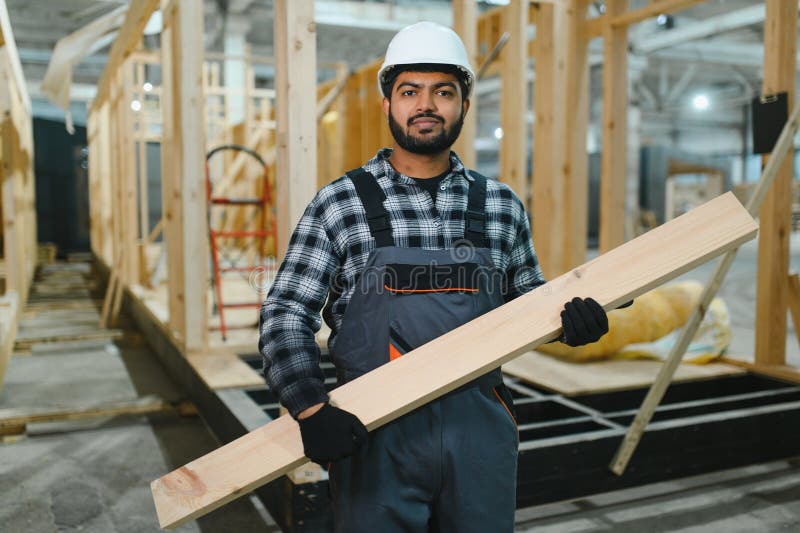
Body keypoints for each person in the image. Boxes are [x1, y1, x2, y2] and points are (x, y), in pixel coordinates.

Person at [259, 21, 609, 533]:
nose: (426, 105)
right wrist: (311, 410)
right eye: (410, 91)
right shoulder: (340, 203)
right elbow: (286, 312)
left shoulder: (500, 206)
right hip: (374, 435)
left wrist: (570, 322)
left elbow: (530, 303)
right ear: (387, 104)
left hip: (479, 436)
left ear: (464, 104)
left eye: (443, 92)